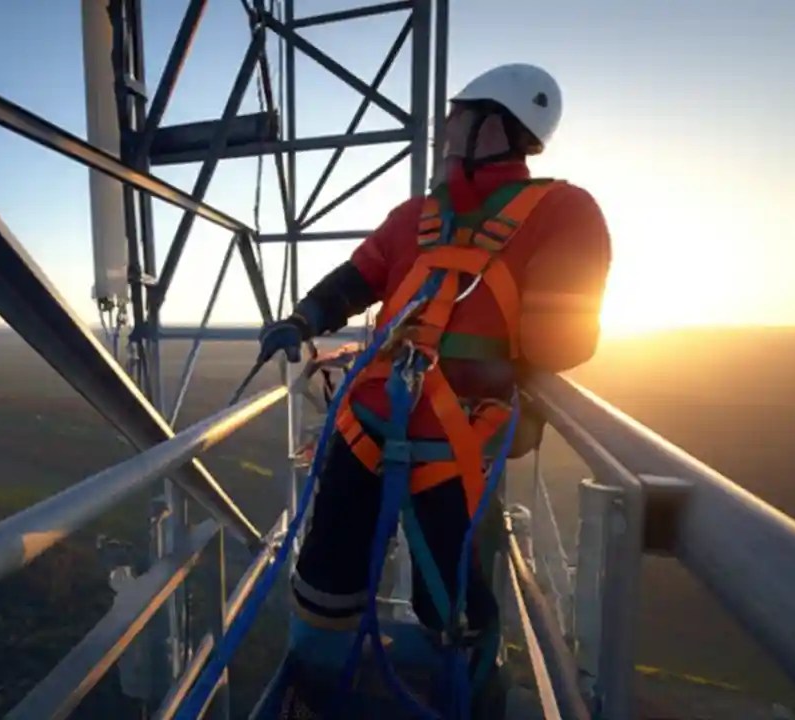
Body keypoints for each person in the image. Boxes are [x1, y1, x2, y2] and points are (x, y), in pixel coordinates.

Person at [254, 63, 612, 717]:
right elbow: (356, 277)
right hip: (372, 428)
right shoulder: (413, 215)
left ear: (494, 125)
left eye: (458, 113)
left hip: (456, 442)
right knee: (326, 580)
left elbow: (563, 343)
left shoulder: (563, 209)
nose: (446, 125)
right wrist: (304, 317)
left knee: (448, 605)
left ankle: (460, 702)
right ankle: (324, 693)